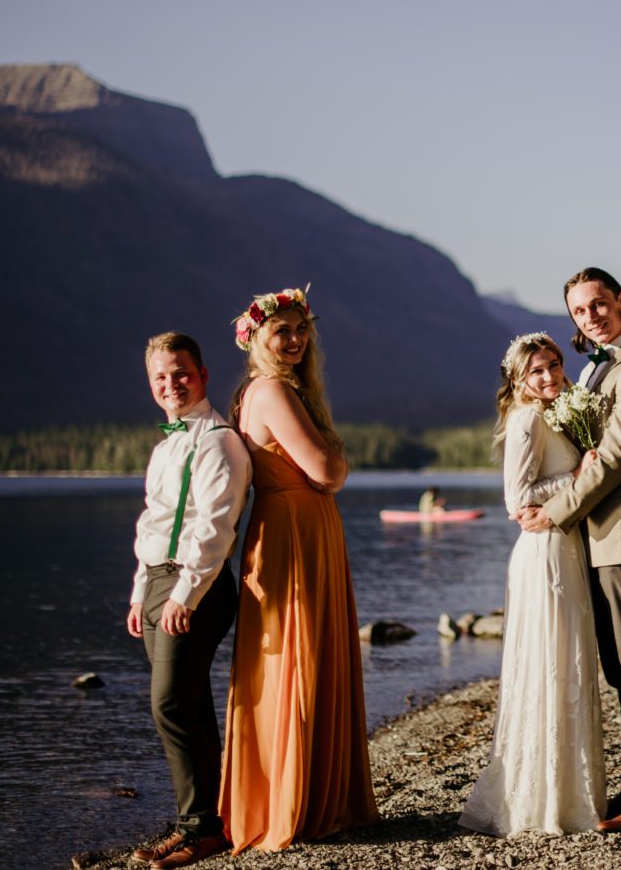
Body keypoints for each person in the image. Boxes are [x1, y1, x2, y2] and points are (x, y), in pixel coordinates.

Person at [515, 267, 621, 833]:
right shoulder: (590, 368)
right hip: (590, 537)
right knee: (615, 670)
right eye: (580, 312)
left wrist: (554, 512)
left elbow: (615, 457)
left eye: (599, 304)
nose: (591, 317)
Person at [218, 287, 378, 850]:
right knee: (298, 655)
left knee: (305, 654)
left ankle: (306, 795)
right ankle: (295, 801)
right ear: (257, 339)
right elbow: (327, 470)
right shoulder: (271, 391)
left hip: (301, 531)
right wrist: (336, 455)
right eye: (280, 331)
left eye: (300, 330)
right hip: (291, 537)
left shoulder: (279, 391)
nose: (293, 341)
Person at [459, 332, 605, 835]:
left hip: (566, 548)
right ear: (519, 380)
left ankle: (570, 796)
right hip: (542, 555)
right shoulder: (525, 420)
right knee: (548, 666)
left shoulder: (558, 413)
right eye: (537, 370)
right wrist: (578, 476)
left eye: (555, 364)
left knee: (569, 664)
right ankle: (538, 803)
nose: (549, 375)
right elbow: (516, 500)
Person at [125, 333, 251, 869]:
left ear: (202, 374)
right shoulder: (165, 445)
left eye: (181, 373)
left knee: (170, 704)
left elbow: (215, 529)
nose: (171, 384)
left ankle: (198, 829)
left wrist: (184, 594)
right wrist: (140, 592)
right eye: (161, 377)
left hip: (196, 584)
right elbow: (154, 523)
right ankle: (212, 820)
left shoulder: (219, 440)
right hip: (157, 581)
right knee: (191, 704)